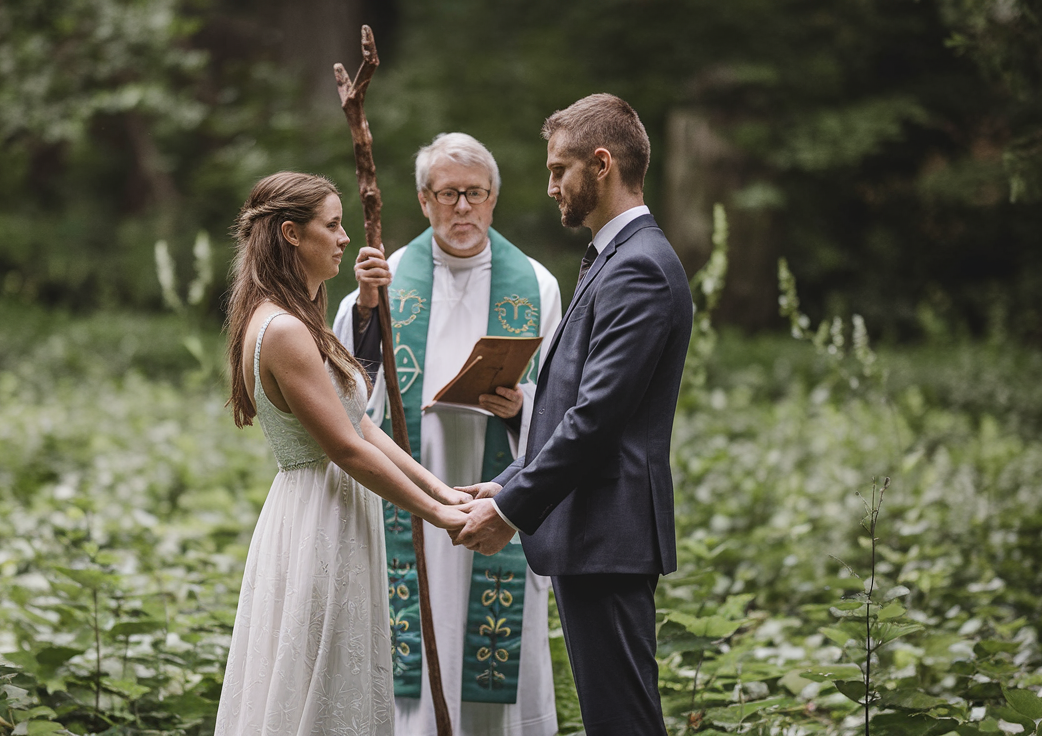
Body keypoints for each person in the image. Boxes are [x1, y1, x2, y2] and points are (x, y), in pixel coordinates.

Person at [452, 94, 694, 736]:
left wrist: (508, 511)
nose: (551, 185)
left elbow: (596, 420)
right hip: (593, 532)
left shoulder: (639, 267)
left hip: (608, 536)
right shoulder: (614, 258)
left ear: (603, 164)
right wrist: (510, 481)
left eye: (560, 169)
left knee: (624, 722)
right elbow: (573, 408)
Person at [213, 171, 471, 736]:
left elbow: (362, 427)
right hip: (317, 520)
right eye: (331, 226)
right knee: (316, 686)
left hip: (336, 512)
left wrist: (443, 491)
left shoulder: (299, 319)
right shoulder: (281, 329)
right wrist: (441, 519)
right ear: (290, 234)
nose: (344, 238)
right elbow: (346, 450)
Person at [333, 133, 562, 736]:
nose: (462, 207)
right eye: (448, 194)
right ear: (423, 199)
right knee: (411, 646)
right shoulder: (388, 279)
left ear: (493, 200)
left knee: (494, 663)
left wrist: (518, 409)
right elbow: (347, 392)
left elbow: (563, 404)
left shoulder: (535, 284)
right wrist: (363, 308)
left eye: (475, 194)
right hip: (411, 498)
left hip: (497, 491)